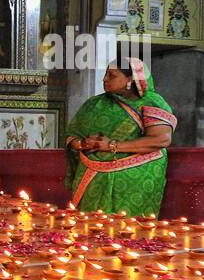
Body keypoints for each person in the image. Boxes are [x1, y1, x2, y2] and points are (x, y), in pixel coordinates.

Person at [64, 56, 176, 216]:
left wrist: (111, 146)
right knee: (88, 229)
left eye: (112, 75)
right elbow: (71, 136)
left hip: (135, 178)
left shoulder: (151, 102)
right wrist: (82, 143)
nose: (105, 79)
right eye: (105, 74)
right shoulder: (94, 104)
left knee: (126, 231)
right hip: (91, 175)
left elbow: (161, 139)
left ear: (131, 78)